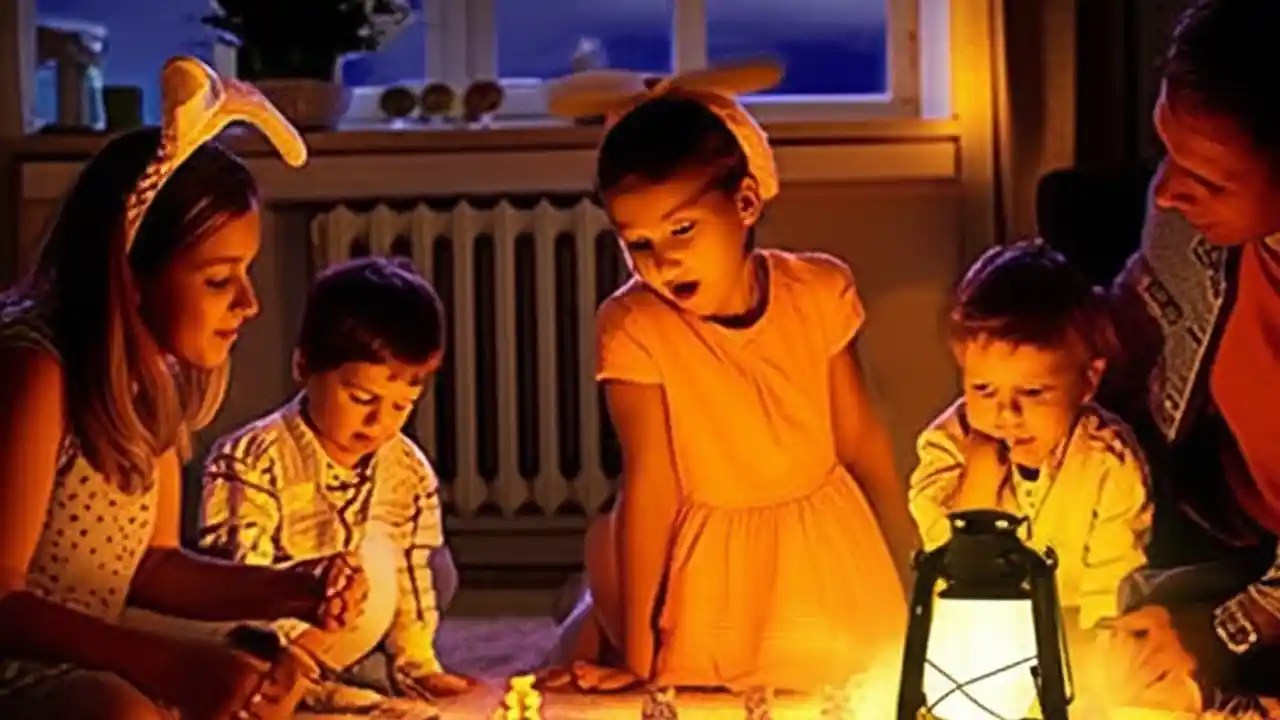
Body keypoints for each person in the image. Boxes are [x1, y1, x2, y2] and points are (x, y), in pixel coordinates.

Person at [0, 57, 368, 720]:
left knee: (257, 656)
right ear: (132, 271)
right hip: (16, 664)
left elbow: (154, 565)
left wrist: (291, 590)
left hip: (90, 648)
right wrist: (164, 665)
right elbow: (3, 601)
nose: (251, 303)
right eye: (220, 279)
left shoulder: (154, 381)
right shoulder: (39, 372)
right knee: (122, 707)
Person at [538, 60, 916, 694]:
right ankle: (593, 619)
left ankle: (586, 615)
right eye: (640, 243)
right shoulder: (635, 325)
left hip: (821, 542)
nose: (664, 260)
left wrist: (916, 556)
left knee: (844, 685)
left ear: (744, 203)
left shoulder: (817, 289)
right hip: (711, 556)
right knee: (679, 669)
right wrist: (637, 653)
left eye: (682, 229)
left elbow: (858, 437)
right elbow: (649, 484)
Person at [1103, 0, 1280, 712]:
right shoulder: (1188, 219)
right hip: (1228, 539)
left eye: (1207, 179)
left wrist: (1220, 634)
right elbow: (1129, 332)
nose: (1169, 192)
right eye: (1165, 150)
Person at [198, 256, 474, 711]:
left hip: (361, 624)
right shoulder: (250, 460)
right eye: (361, 398)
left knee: (429, 568)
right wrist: (300, 642)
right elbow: (240, 578)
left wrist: (419, 664)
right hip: (269, 631)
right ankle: (310, 683)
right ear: (304, 365)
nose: (378, 421)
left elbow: (408, 574)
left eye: (401, 405)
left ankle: (352, 673)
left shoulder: (406, 469)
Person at [909, 241, 1151, 633]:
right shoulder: (945, 447)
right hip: (975, 628)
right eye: (984, 390)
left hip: (1074, 633)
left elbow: (1113, 578)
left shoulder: (1108, 461)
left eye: (1033, 393)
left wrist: (1096, 653)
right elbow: (947, 557)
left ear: (1087, 381)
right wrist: (980, 480)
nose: (1006, 414)